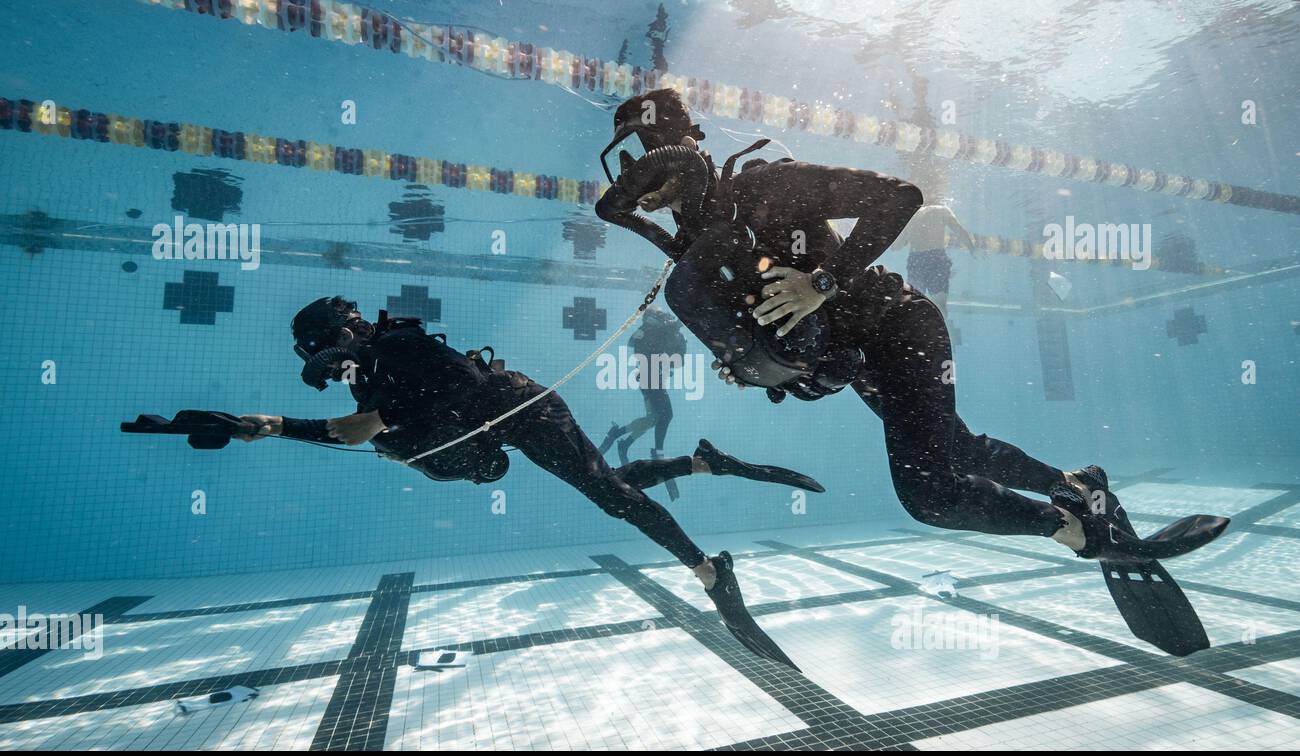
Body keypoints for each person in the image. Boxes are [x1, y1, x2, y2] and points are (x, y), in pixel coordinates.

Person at [593, 90, 1230, 656]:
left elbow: (899, 197)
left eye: (642, 160)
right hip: (856, 353)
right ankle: (1078, 487)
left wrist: (822, 281)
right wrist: (755, 368)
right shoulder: (703, 244)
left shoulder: (766, 187)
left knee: (931, 492)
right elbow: (771, 328)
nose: (636, 185)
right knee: (955, 448)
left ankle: (1078, 533)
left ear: (672, 152)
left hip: (898, 325)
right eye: (627, 171)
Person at [236, 296, 824, 668]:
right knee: (607, 481)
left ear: (346, 335)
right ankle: (702, 462)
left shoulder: (397, 346)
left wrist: (349, 423)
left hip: (524, 407)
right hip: (493, 431)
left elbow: (456, 387)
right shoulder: (366, 381)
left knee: (611, 496)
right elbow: (358, 428)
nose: (337, 370)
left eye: (330, 356)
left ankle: (709, 571)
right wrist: (284, 426)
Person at [598, 306, 687, 472]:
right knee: (666, 415)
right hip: (648, 375)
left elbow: (679, 361)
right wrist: (673, 327)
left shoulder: (669, 332)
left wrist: (676, 342)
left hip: (653, 377)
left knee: (653, 419)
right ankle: (657, 453)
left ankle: (621, 438)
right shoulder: (653, 328)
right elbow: (641, 340)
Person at [891, 202, 978, 317]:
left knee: (912, 303)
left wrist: (910, 235)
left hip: (917, 260)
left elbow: (895, 247)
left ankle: (917, 330)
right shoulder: (942, 210)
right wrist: (972, 248)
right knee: (940, 305)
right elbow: (959, 230)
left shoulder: (913, 215)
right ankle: (938, 331)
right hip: (936, 258)